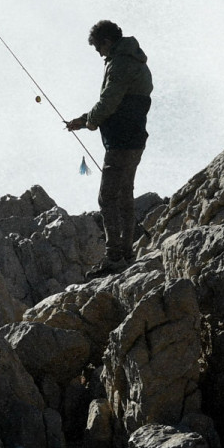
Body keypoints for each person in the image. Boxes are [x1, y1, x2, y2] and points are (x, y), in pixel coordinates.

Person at [66, 19, 152, 268]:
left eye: (98, 48)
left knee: (108, 198)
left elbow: (109, 102)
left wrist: (89, 122)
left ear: (106, 41)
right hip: (134, 140)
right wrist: (84, 120)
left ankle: (114, 256)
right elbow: (114, 102)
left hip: (121, 142)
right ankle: (126, 253)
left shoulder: (120, 63)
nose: (98, 53)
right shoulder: (133, 59)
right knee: (125, 195)